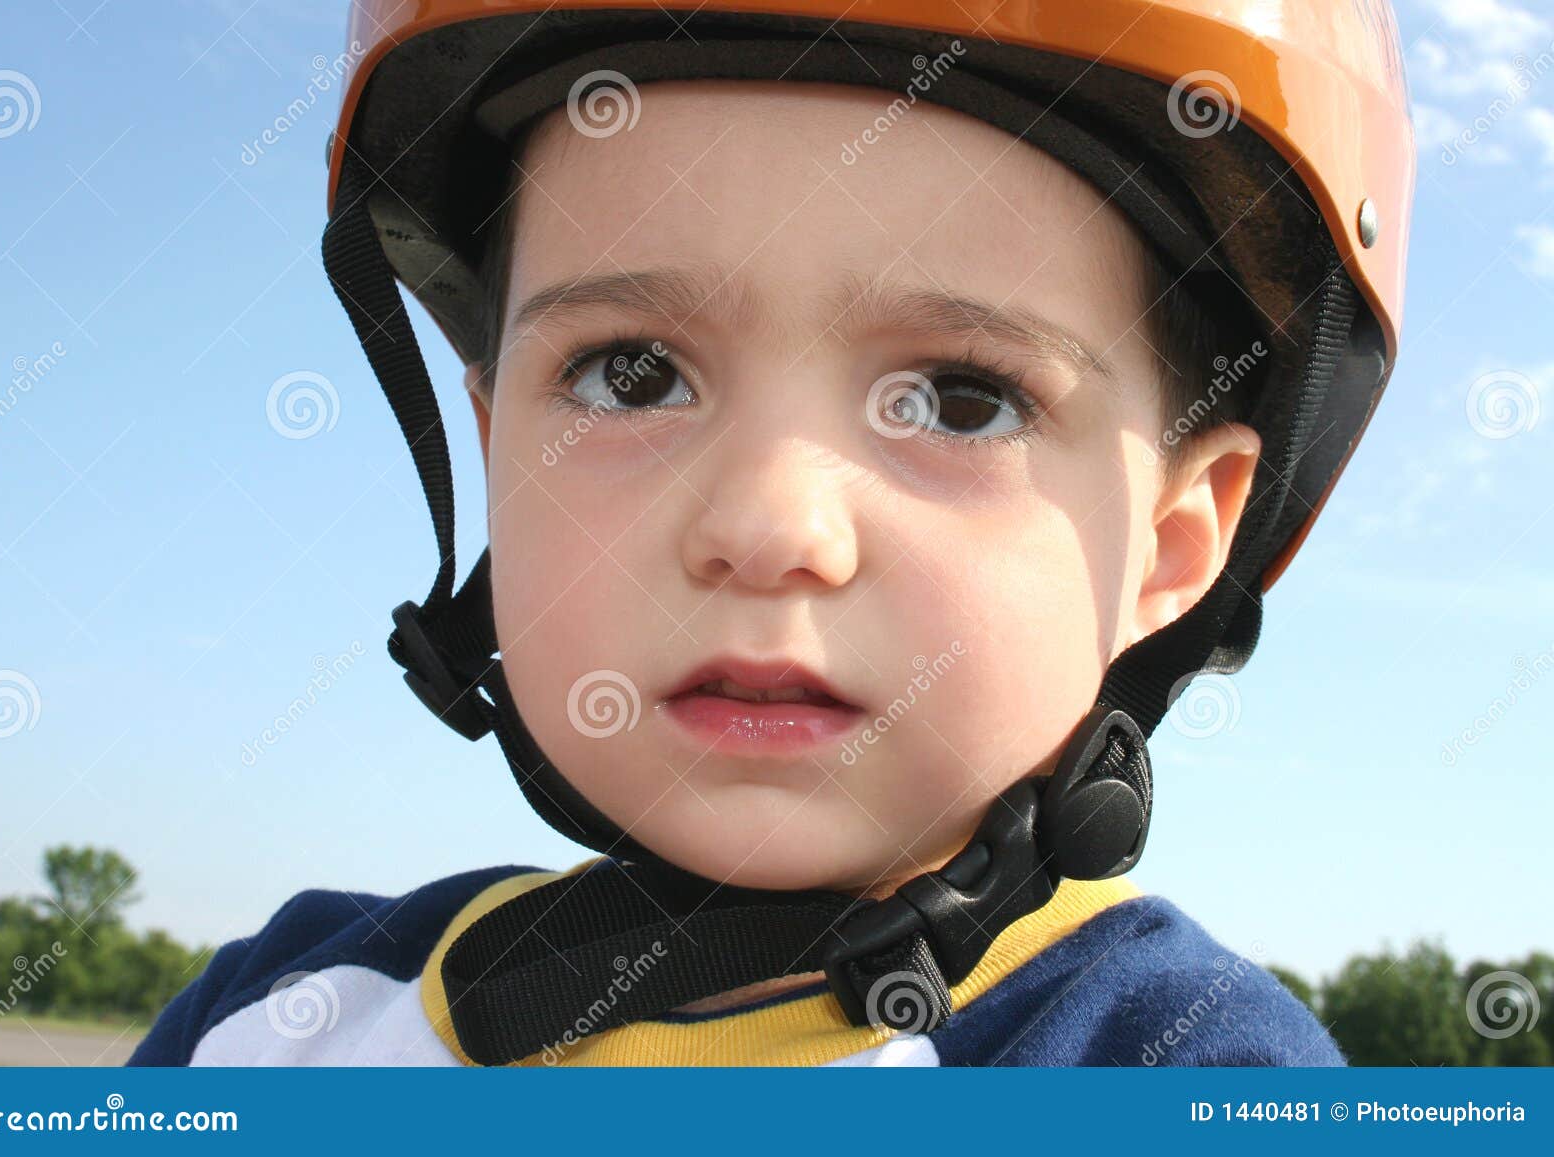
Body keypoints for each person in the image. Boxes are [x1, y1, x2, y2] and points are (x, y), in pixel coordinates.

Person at [128, 0, 1413, 1066]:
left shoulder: (1174, 1064)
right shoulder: (282, 1010)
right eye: (628, 375)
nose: (765, 527)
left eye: (960, 399)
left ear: (1174, 544)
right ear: (491, 445)